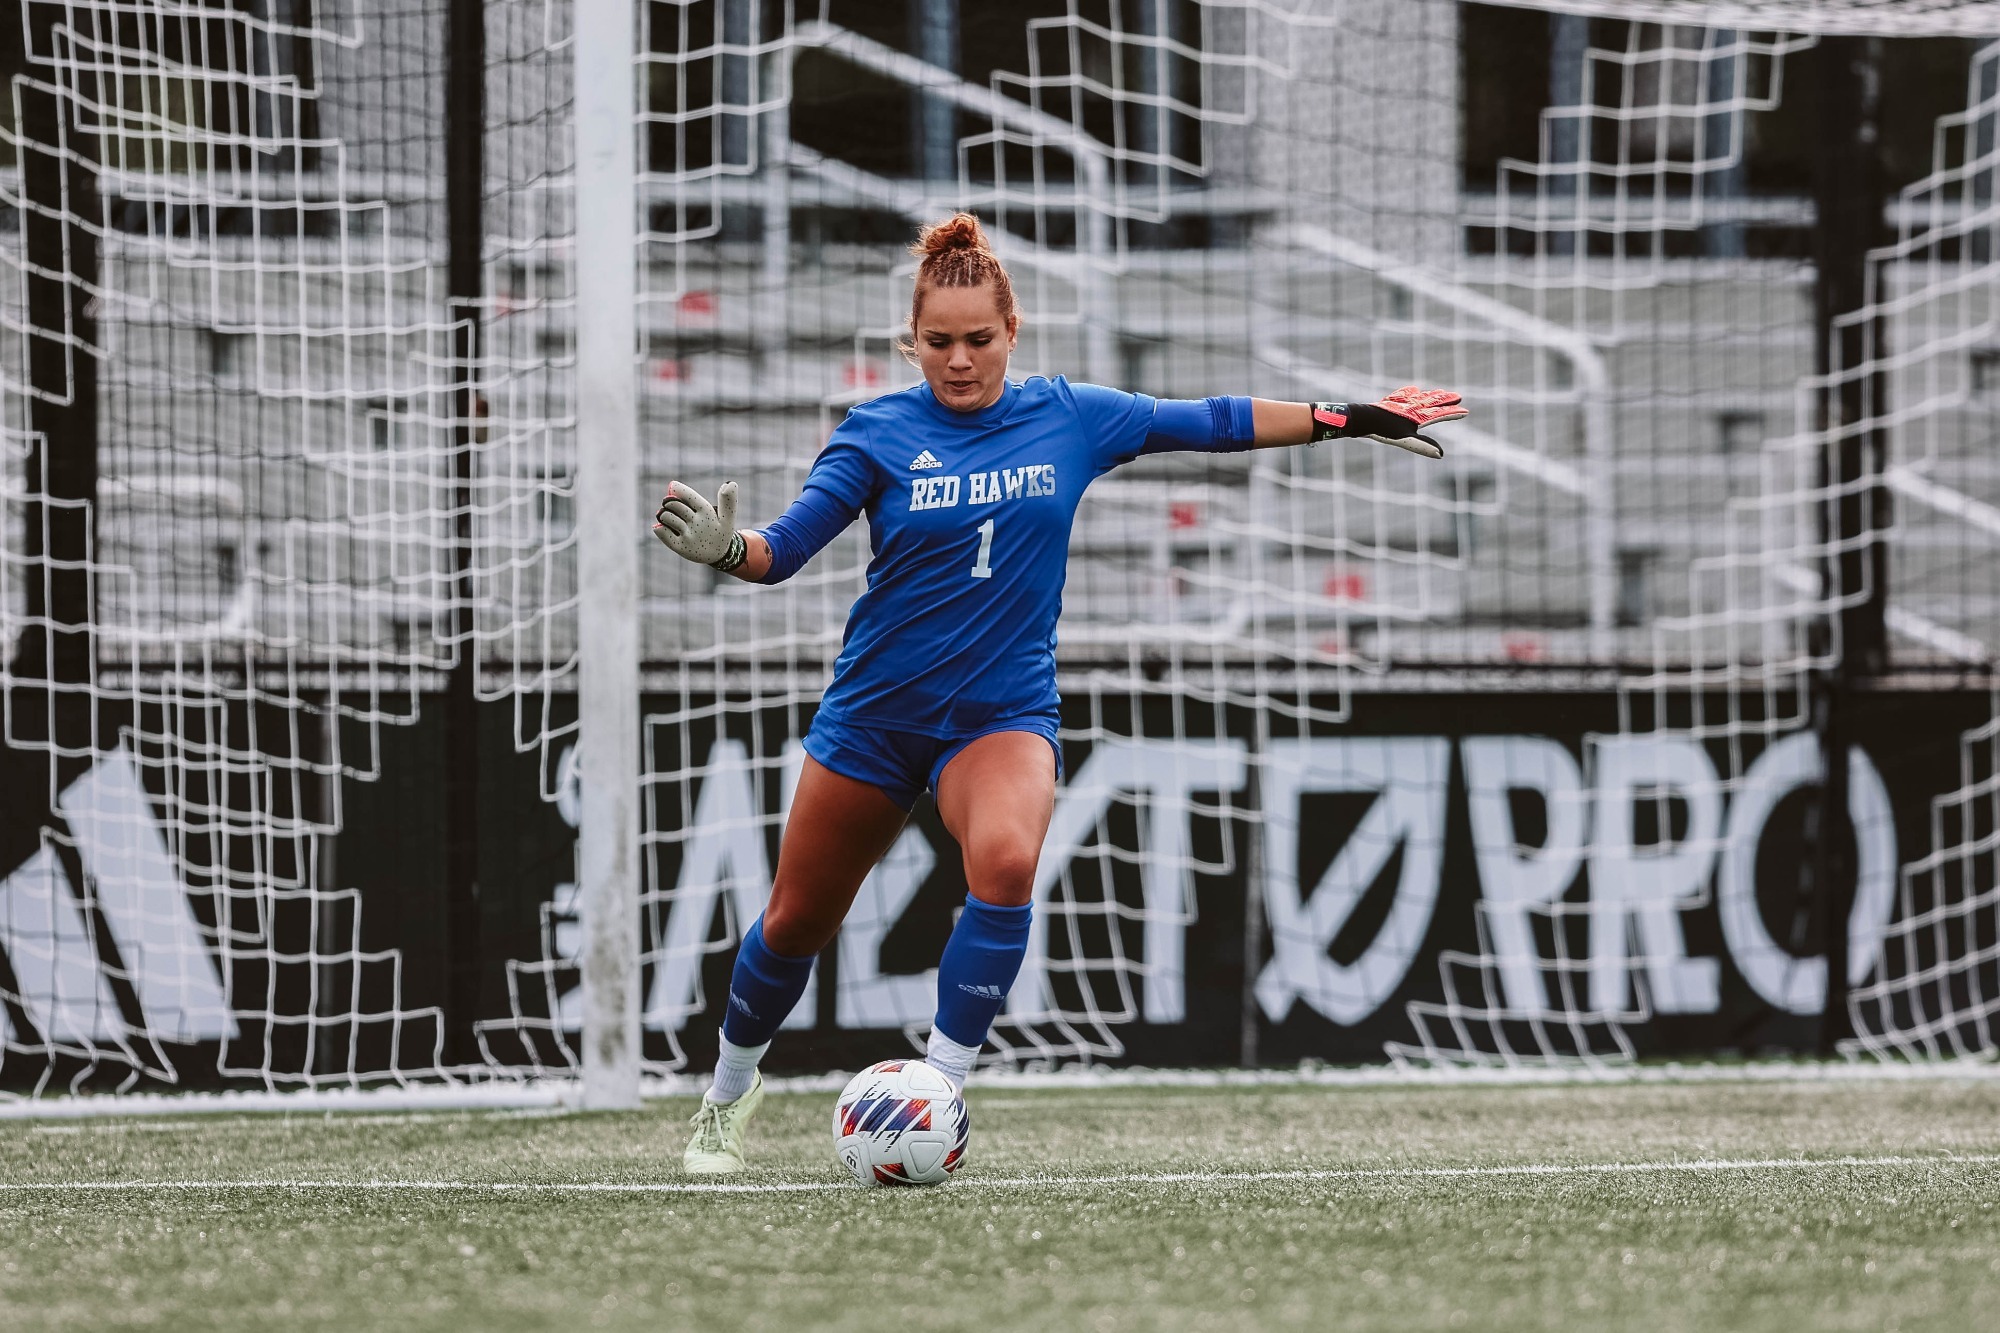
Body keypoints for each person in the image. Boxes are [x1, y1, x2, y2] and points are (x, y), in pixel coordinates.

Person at [652, 213, 1466, 1174]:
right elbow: (781, 549)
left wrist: (1354, 417)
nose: (959, 360)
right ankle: (726, 1094)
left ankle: (937, 1092)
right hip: (875, 717)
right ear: (910, 342)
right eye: (939, 342)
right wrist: (726, 552)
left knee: (1004, 863)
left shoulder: (1072, 414)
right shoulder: (874, 433)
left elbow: (1210, 422)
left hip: (1000, 715)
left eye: (978, 340)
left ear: (1013, 329)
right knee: (795, 921)